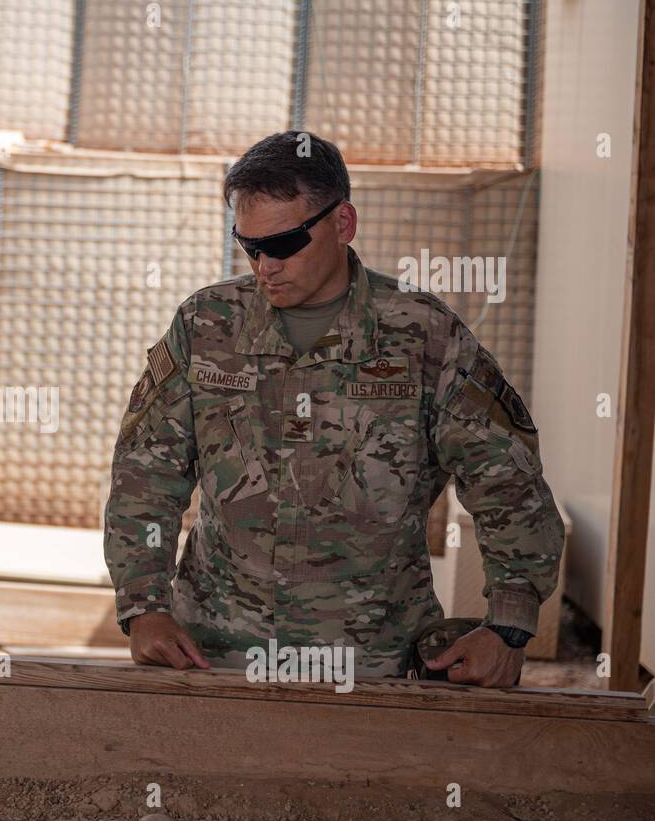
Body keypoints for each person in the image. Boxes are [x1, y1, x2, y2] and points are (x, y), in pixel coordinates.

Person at [103, 130, 564, 685]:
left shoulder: (422, 335)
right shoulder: (206, 327)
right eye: (249, 246)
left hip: (375, 666)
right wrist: (142, 608)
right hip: (216, 657)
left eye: (284, 243)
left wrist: (509, 626)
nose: (264, 265)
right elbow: (145, 473)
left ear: (342, 224)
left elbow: (505, 479)